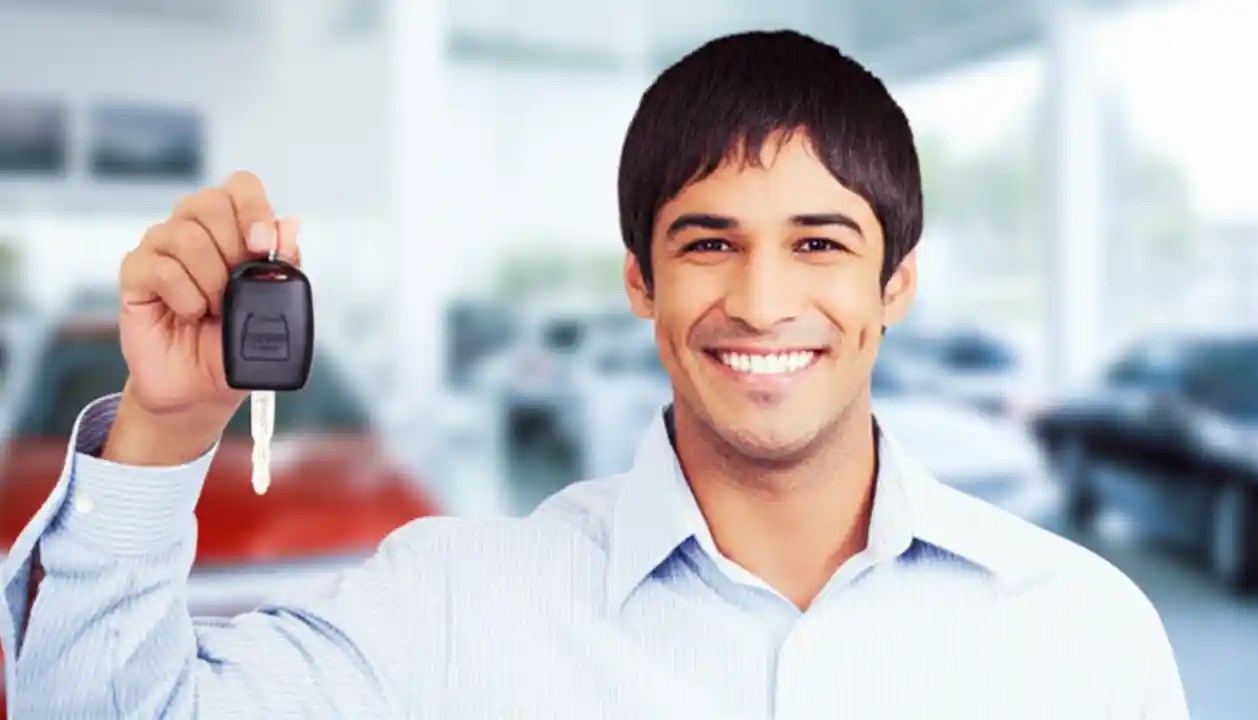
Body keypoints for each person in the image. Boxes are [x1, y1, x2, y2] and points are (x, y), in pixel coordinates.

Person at [0, 30, 1187, 718]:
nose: (762, 301)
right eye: (707, 242)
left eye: (817, 244)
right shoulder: (451, 606)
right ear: (639, 282)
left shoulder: (1081, 634)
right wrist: (167, 422)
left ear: (895, 286)